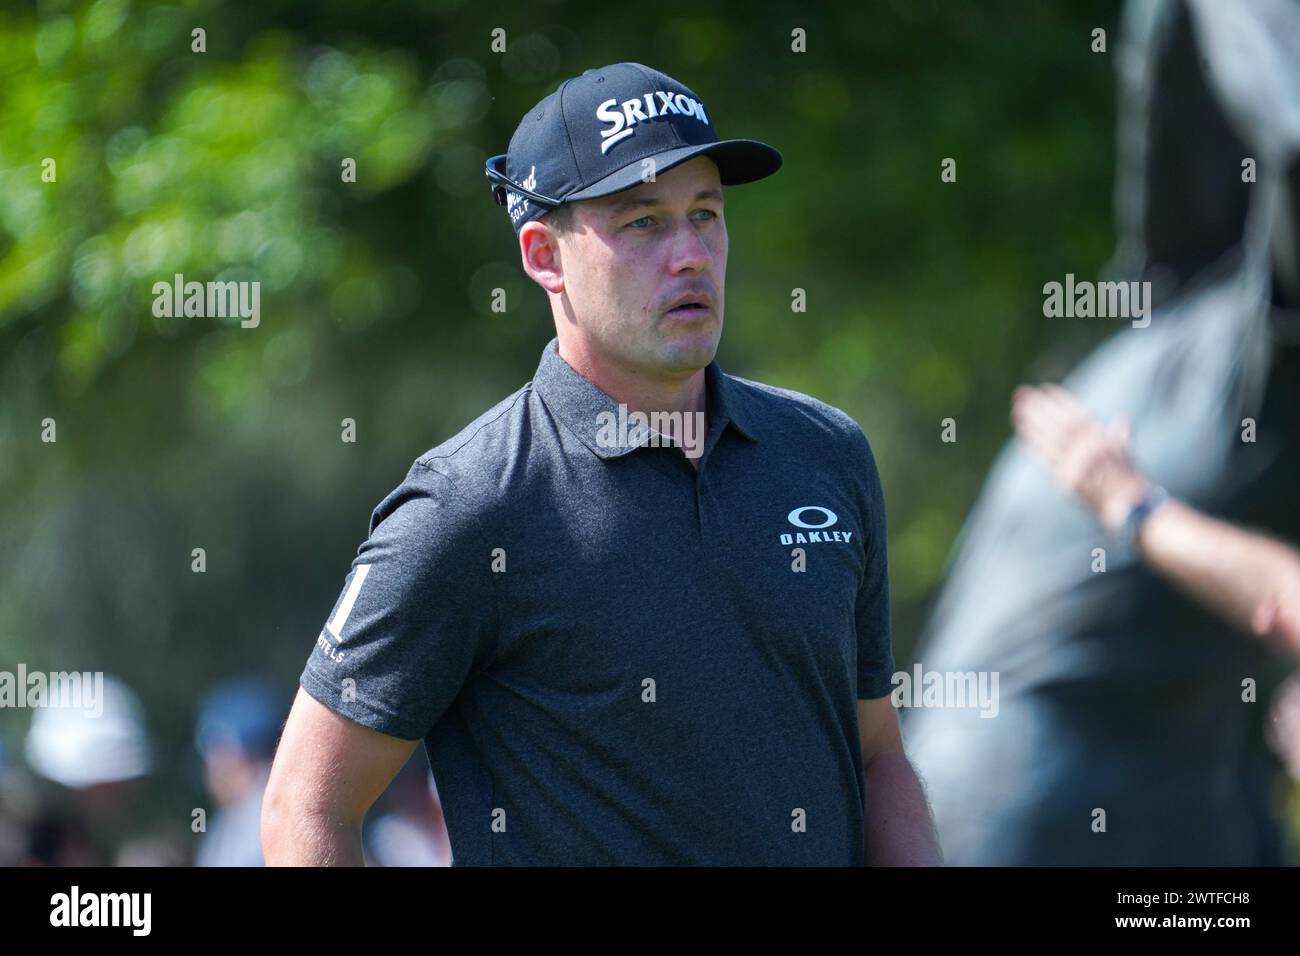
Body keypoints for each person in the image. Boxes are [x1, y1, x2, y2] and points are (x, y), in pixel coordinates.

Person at [263, 61, 941, 866]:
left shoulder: (826, 455)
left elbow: (876, 755)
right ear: (545, 255)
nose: (691, 254)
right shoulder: (468, 506)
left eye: (706, 214)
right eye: (644, 223)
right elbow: (305, 806)